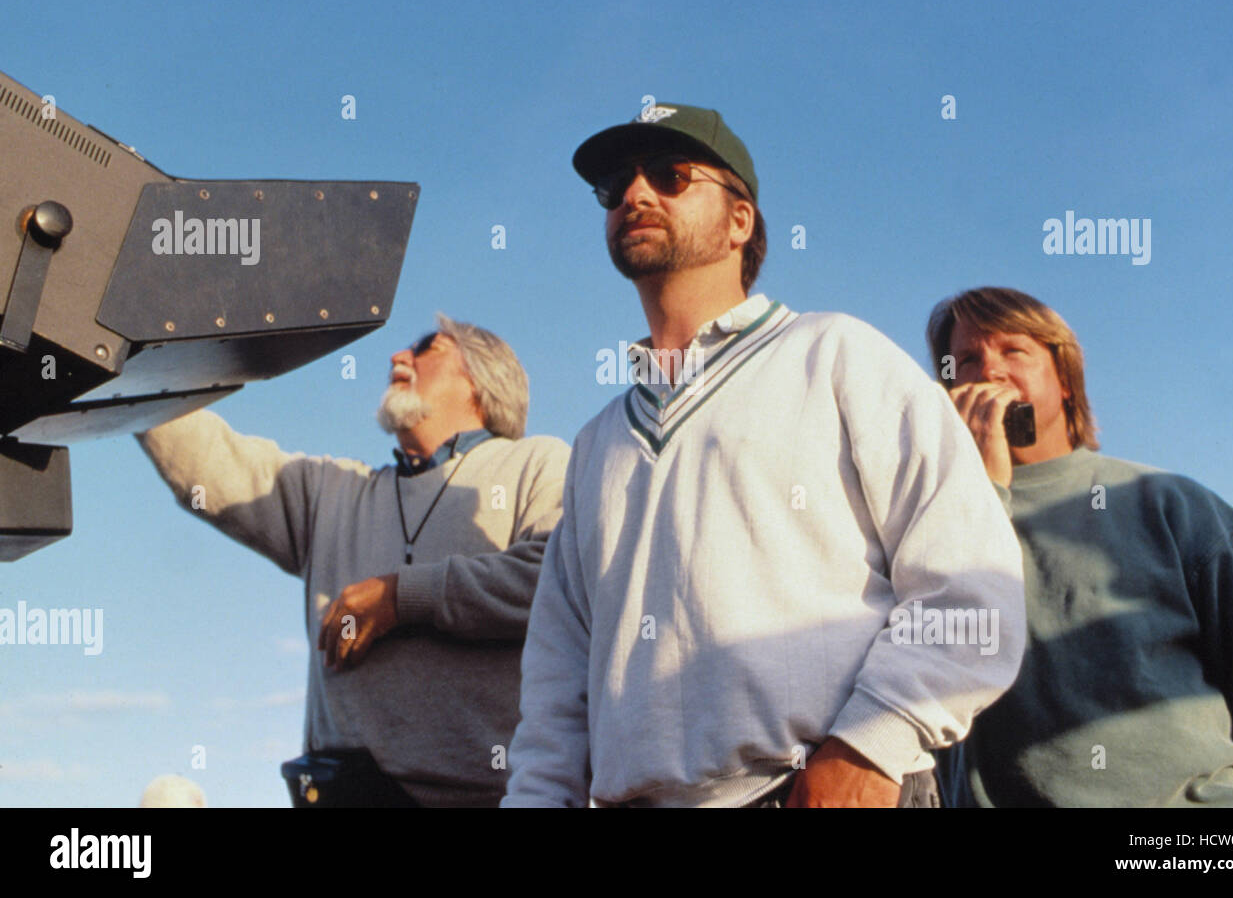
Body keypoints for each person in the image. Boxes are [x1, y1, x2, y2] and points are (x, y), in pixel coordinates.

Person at [502, 103, 1026, 808]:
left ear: (740, 221)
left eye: (670, 174)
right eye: (614, 186)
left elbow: (972, 581)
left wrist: (870, 747)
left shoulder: (835, 353)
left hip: (818, 787)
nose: (634, 195)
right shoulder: (598, 442)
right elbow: (557, 681)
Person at [137, 315, 569, 806]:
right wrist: (125, 367)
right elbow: (210, 463)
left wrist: (401, 597)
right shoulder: (335, 492)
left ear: (482, 383)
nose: (397, 357)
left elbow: (556, 581)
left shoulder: (537, 463)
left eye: (427, 347)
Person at [926, 286, 1233, 806]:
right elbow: (932, 664)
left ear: (1065, 382)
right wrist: (981, 494)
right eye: (965, 359)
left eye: (1013, 350)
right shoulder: (926, 532)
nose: (988, 370)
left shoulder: (1173, 507)